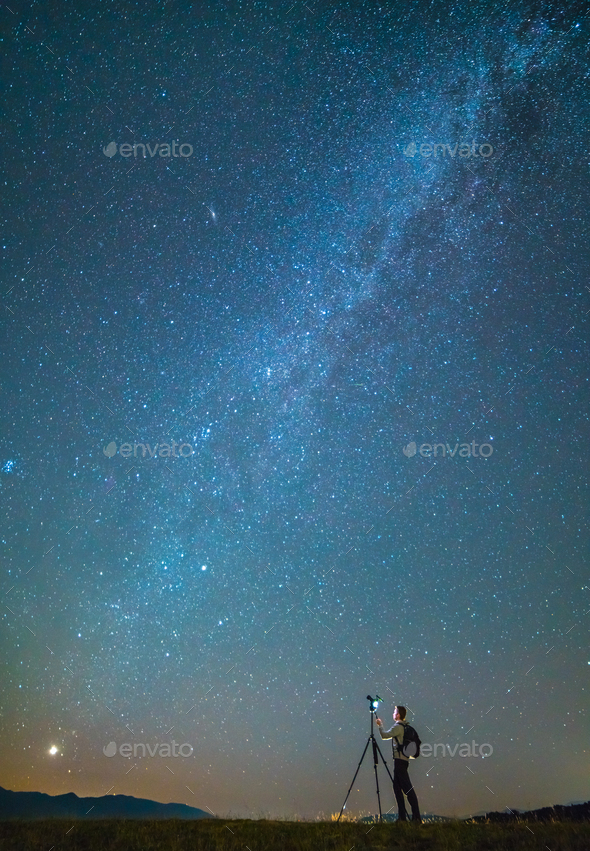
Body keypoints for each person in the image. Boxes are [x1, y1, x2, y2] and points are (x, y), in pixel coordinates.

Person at [376, 705, 422, 823]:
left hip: (400, 762)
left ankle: (416, 818)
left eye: (394, 712)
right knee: (397, 789)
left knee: (407, 789)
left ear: (398, 715)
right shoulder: (404, 727)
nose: (393, 714)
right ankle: (402, 817)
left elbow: (384, 735)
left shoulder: (398, 727)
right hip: (403, 761)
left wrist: (380, 725)